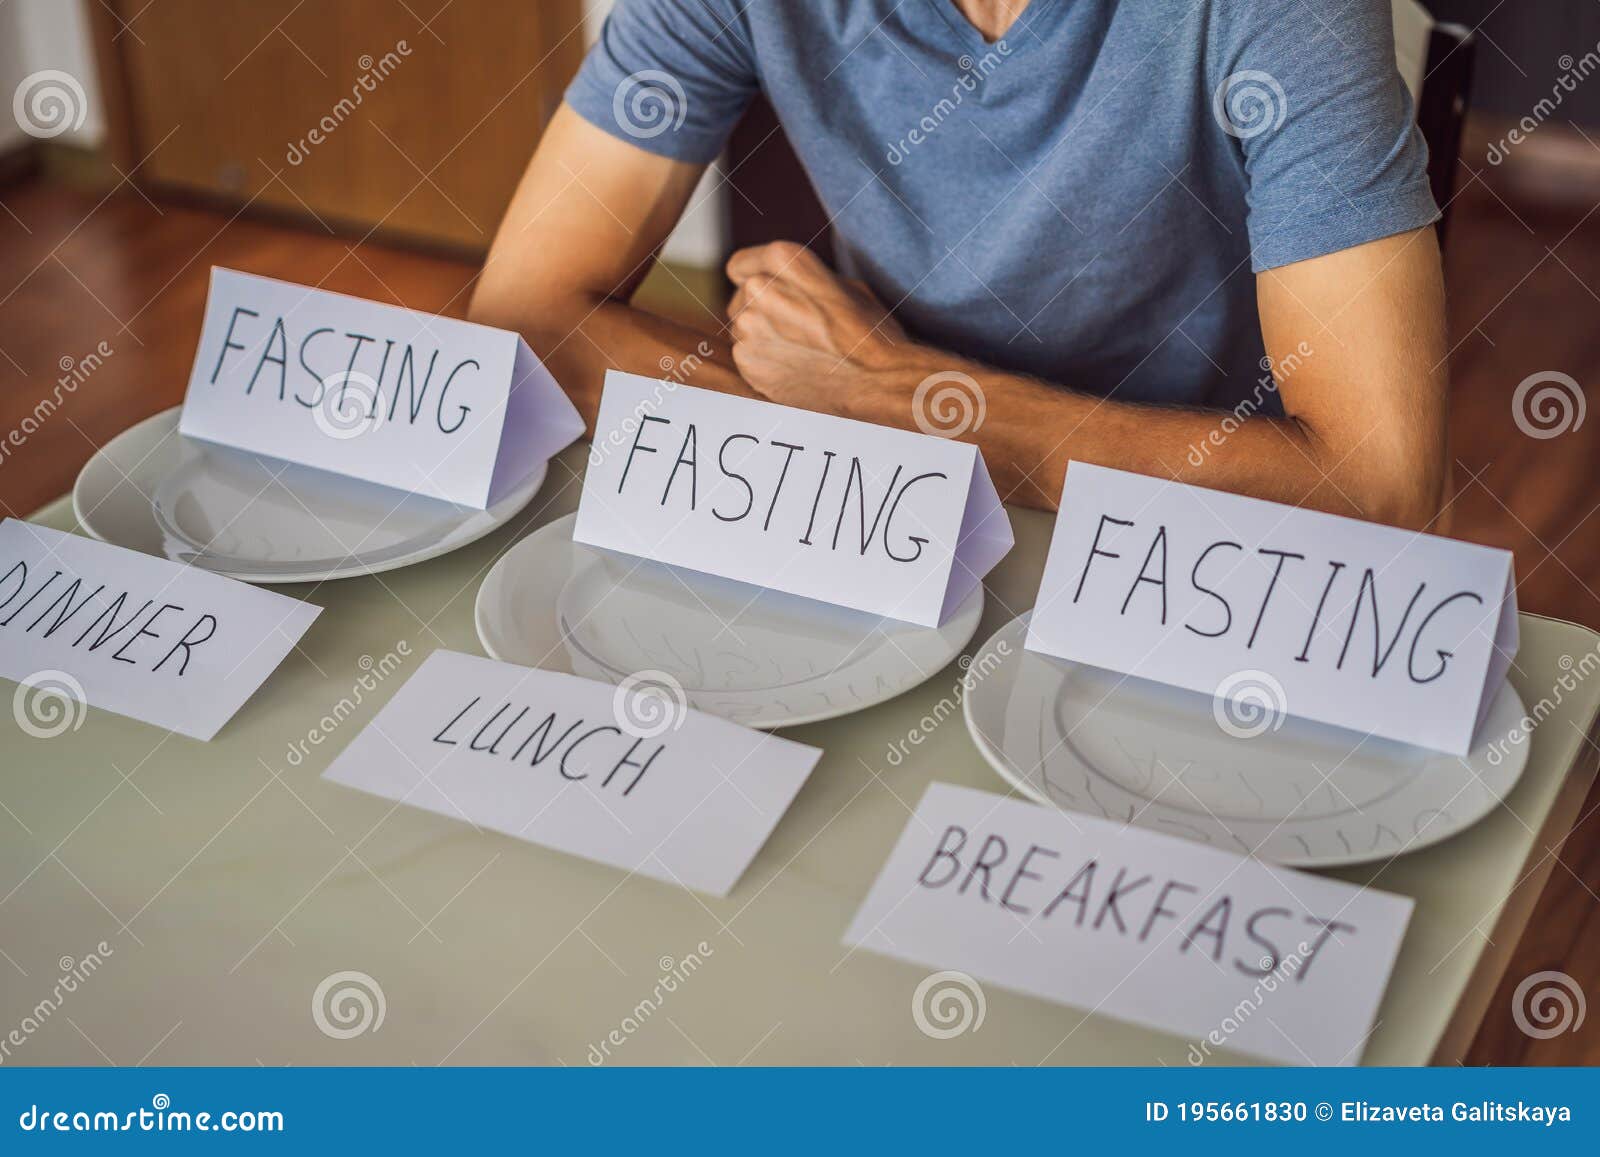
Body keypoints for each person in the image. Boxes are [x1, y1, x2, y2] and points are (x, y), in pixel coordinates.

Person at [469, 0, 1448, 526]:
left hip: (1196, 551)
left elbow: (1378, 489)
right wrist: (867, 406)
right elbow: (522, 320)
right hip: (883, 515)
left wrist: (899, 402)